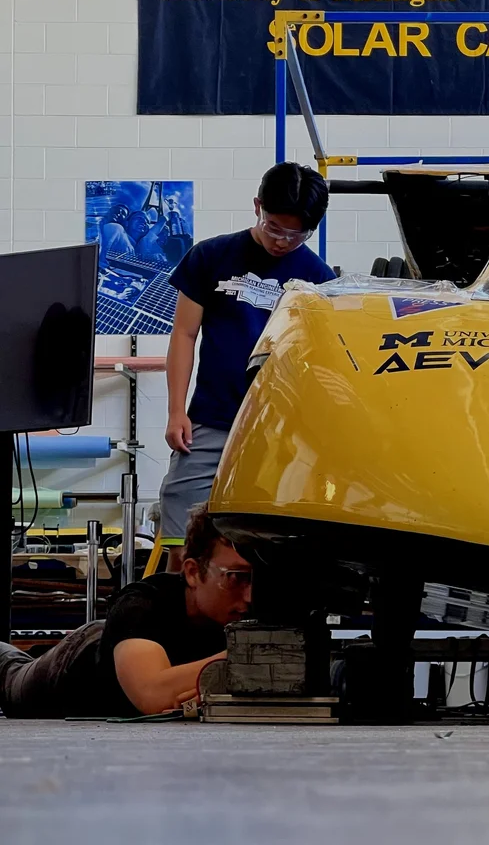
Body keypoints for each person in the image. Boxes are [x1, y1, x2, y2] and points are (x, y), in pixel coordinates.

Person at [159, 162, 335, 568]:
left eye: (297, 234)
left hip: (277, 428)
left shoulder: (319, 280)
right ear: (257, 206)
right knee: (180, 525)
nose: (283, 242)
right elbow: (184, 335)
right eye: (274, 228)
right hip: (211, 418)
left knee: (268, 538)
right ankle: (174, 612)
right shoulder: (211, 256)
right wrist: (175, 411)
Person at [0, 505, 251, 719]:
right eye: (236, 577)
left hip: (123, 644)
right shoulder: (143, 603)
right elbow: (152, 695)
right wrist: (247, 657)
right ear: (193, 572)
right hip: (76, 661)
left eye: (257, 578)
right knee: (10, 678)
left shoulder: (253, 606)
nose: (250, 595)